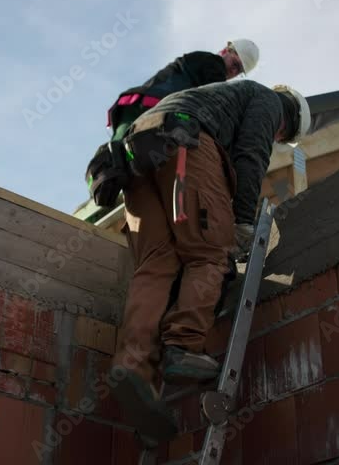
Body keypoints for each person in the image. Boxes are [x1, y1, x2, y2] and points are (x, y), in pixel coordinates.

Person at [108, 79, 312, 441]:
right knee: (211, 251)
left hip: (138, 150)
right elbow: (250, 155)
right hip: (186, 142)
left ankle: (133, 366)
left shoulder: (222, 97)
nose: (277, 138)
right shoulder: (267, 101)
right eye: (282, 136)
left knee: (157, 263)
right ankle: (183, 345)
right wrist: (244, 222)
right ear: (289, 117)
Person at [106, 39, 260, 143]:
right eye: (234, 63)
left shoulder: (200, 64)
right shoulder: (213, 63)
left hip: (137, 107)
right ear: (225, 50)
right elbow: (216, 100)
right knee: (118, 159)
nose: (233, 70)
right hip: (150, 108)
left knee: (116, 161)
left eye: (238, 70)